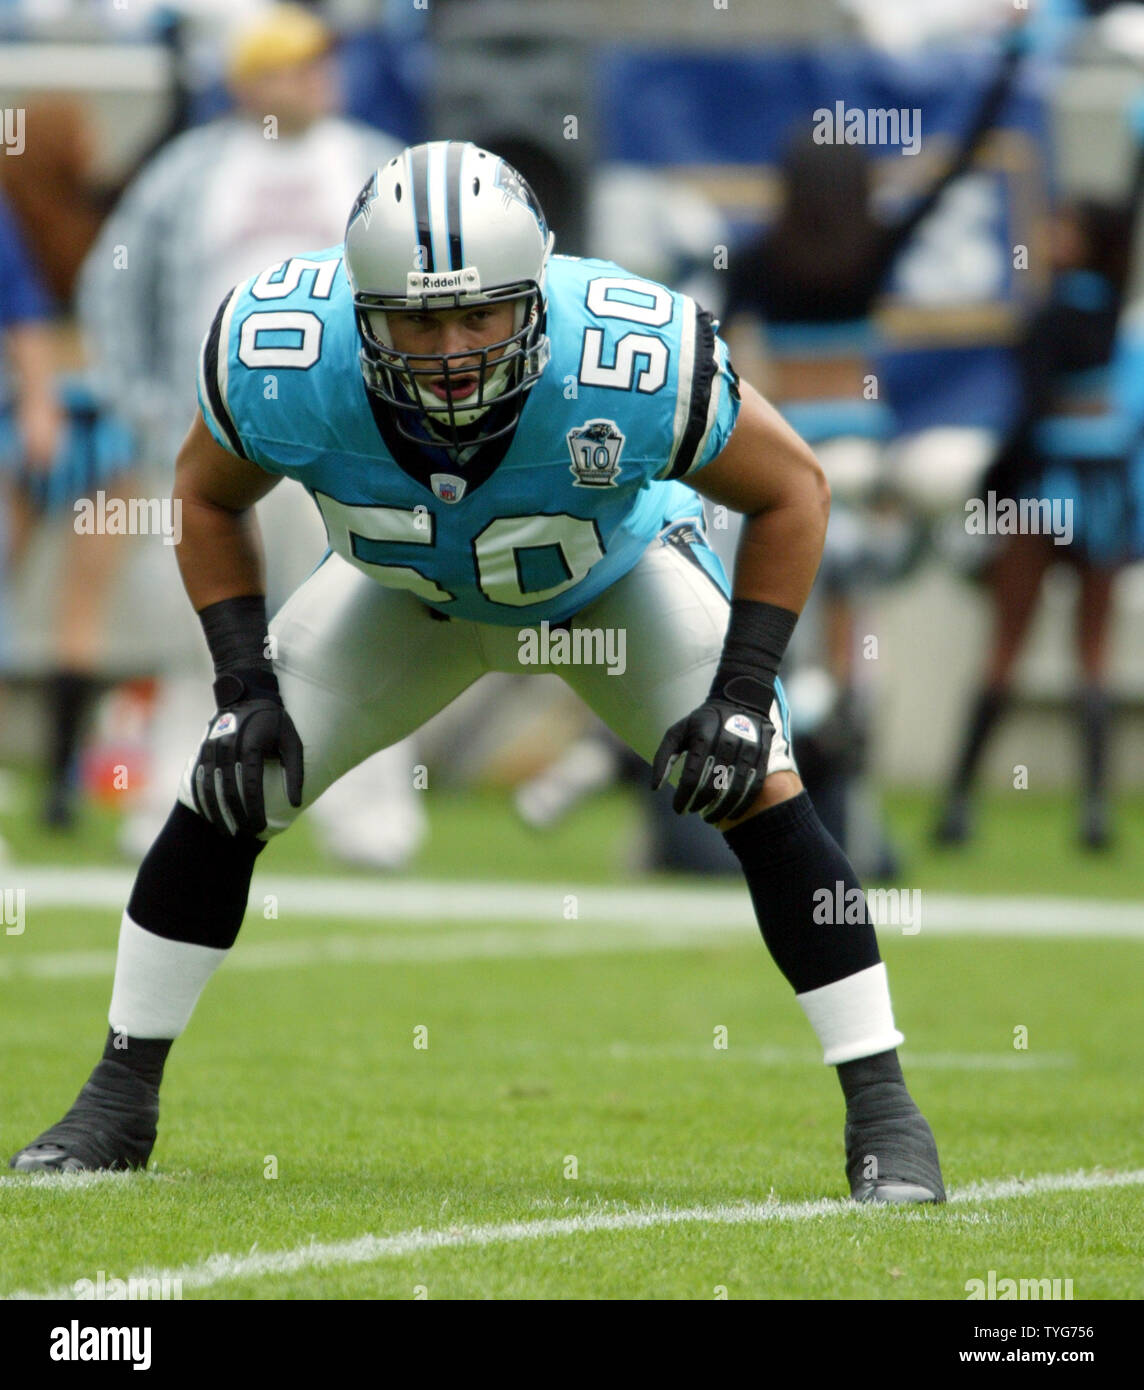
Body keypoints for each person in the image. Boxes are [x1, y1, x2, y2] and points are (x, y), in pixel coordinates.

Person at [9, 142, 944, 1204]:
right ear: (362, 313)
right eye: (416, 321)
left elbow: (794, 489)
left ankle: (885, 1114)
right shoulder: (284, 352)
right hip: (404, 599)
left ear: (536, 301)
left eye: (479, 316)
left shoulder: (626, 350)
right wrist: (242, 687)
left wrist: (740, 693)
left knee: (761, 783)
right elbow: (203, 492)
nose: (450, 350)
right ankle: (116, 1098)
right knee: (228, 779)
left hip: (614, 581)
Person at [78, 1, 423, 867]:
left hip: (351, 440)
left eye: (320, 64)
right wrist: (142, 402)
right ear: (247, 79)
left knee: (370, 612)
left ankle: (372, 819)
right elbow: (110, 283)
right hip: (210, 437)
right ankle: (171, 798)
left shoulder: (373, 163)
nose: (317, 78)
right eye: (294, 64)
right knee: (195, 620)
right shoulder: (189, 173)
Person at [933, 196, 1140, 851]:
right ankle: (1095, 814)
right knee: (1093, 656)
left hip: (1044, 492)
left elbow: (1027, 415)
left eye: (1066, 227)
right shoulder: (1115, 315)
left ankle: (959, 805)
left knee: (1004, 648)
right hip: (1104, 496)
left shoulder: (1050, 317)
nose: (1052, 235)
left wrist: (989, 487)